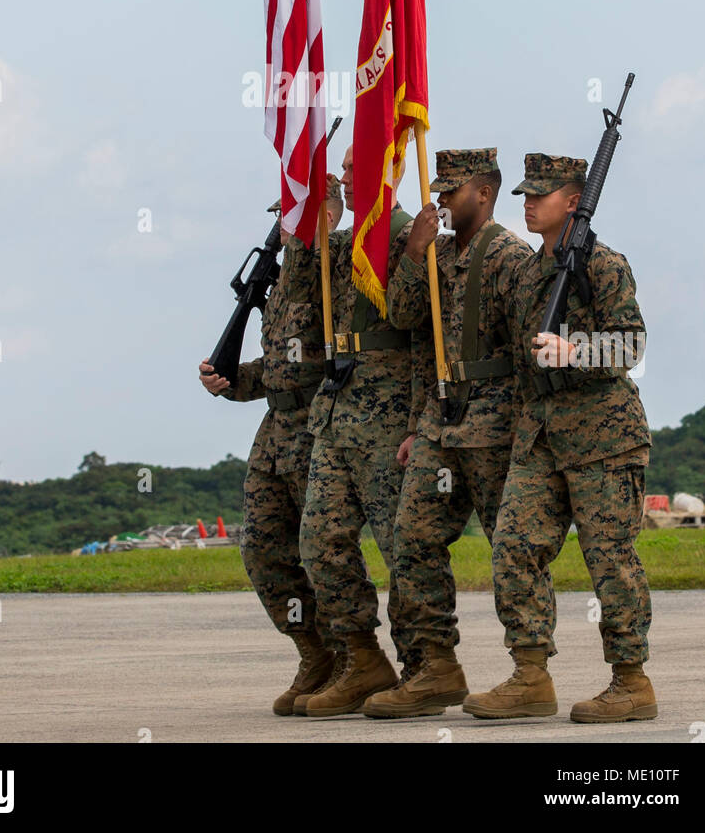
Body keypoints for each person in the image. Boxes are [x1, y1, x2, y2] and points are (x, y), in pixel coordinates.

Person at [463, 153, 655, 723]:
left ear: (573, 201)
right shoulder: (527, 272)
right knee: (513, 546)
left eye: (539, 194)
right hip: (541, 434)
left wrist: (578, 350)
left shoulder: (603, 264)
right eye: (523, 194)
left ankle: (630, 681)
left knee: (609, 561)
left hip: (603, 437)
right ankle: (529, 675)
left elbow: (632, 347)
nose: (527, 202)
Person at [363, 148, 534, 718]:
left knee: (510, 550)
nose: (439, 197)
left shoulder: (511, 256)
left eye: (452, 189)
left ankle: (530, 673)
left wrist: (528, 430)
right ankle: (435, 666)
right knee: (411, 541)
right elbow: (407, 322)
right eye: (437, 187)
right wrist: (413, 253)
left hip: (495, 425)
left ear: (483, 193)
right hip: (439, 424)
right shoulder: (435, 254)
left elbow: (532, 350)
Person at [199, 181, 344, 717]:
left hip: (321, 425)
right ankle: (314, 651)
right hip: (276, 427)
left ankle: (354, 657)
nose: (283, 227)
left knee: (324, 550)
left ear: (327, 214)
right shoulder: (280, 285)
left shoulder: (338, 273)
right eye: (281, 216)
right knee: (263, 548)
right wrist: (232, 380)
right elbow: (277, 368)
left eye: (293, 216)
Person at [283, 144, 418, 718]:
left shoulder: (408, 235)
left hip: (391, 419)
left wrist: (421, 423)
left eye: (349, 167)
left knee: (403, 550)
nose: (340, 176)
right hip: (339, 416)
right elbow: (297, 294)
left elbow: (422, 328)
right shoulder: (343, 244)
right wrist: (316, 230)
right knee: (320, 542)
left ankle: (427, 666)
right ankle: (360, 658)